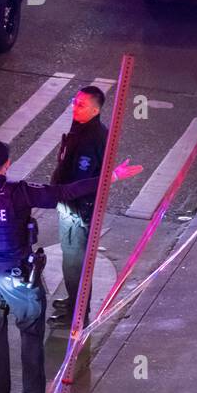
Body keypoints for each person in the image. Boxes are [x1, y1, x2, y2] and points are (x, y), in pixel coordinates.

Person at [0, 139, 142, 393]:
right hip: (18, 280)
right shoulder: (20, 192)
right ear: (7, 163)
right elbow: (64, 192)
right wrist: (111, 177)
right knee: (30, 337)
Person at [49, 85, 108, 327]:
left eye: (81, 105)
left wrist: (64, 200)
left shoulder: (90, 139)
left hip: (76, 210)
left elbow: (80, 180)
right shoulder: (81, 128)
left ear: (95, 110)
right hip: (70, 206)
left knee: (75, 262)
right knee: (70, 259)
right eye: (75, 102)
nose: (75, 107)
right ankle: (75, 301)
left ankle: (77, 314)